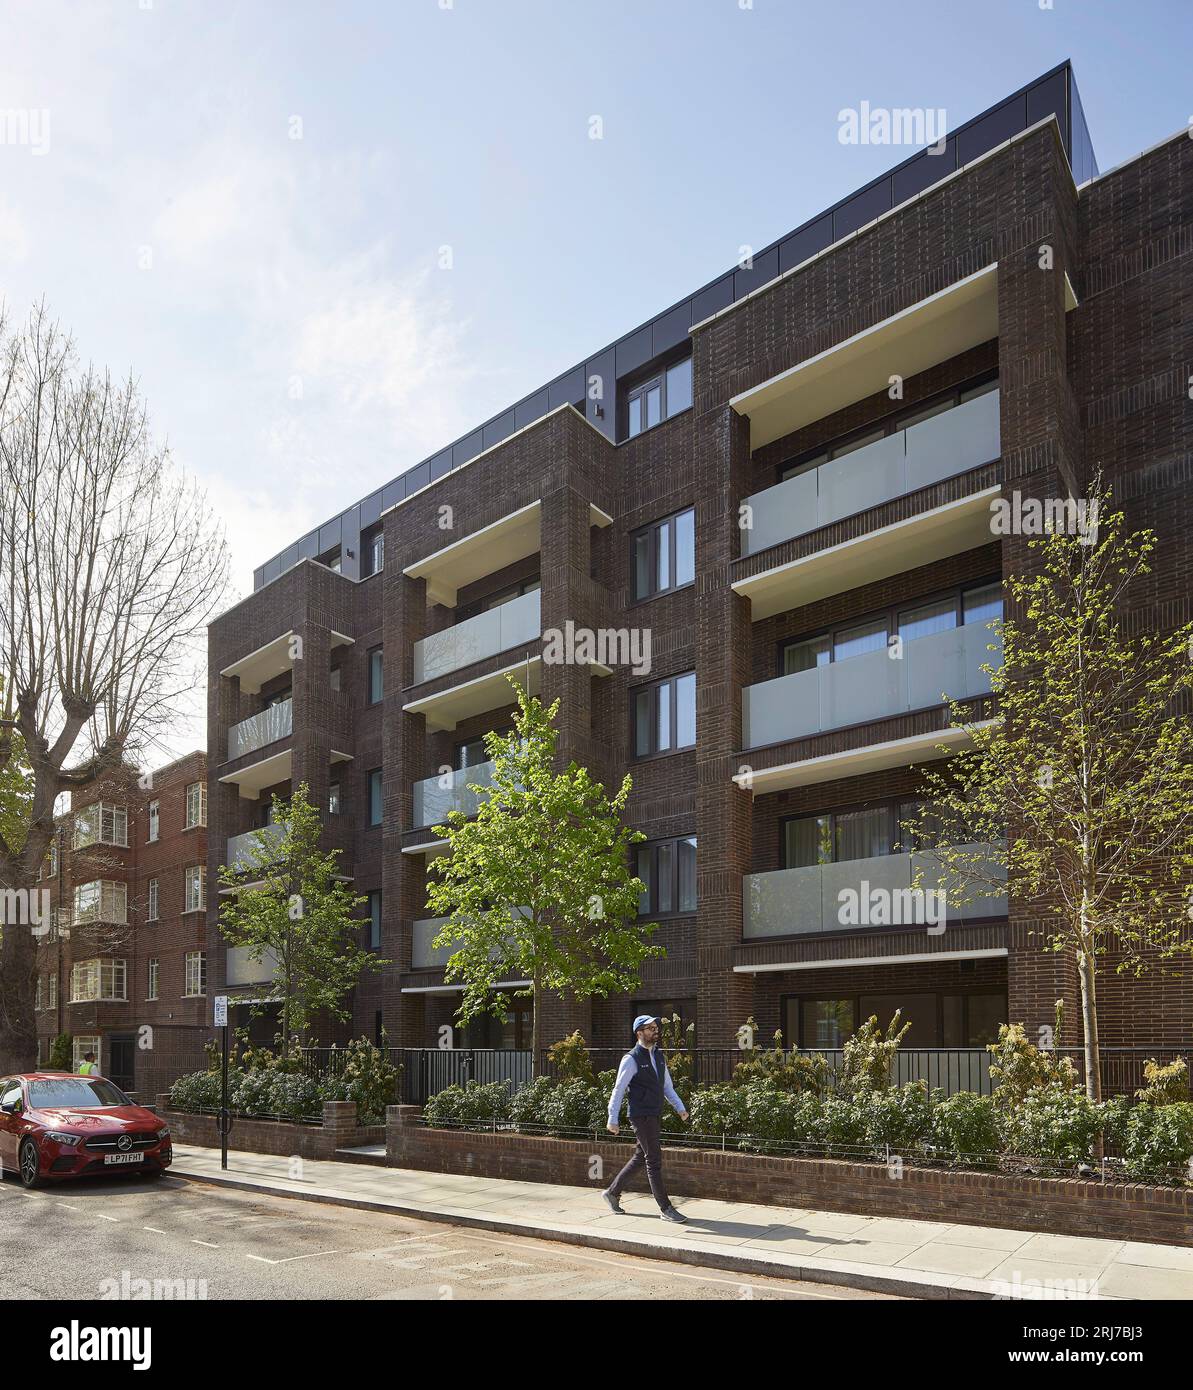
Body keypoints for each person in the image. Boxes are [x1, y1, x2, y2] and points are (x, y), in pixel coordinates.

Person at [602, 1015, 689, 1223]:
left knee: (641, 1156)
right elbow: (619, 1089)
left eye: (655, 1027)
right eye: (650, 1028)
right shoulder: (631, 1059)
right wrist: (612, 1118)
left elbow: (666, 1086)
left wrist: (680, 1107)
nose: (655, 1031)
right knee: (654, 1160)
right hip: (640, 1115)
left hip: (654, 1112)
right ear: (639, 1033)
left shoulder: (659, 1056)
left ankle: (612, 1193)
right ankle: (666, 1208)